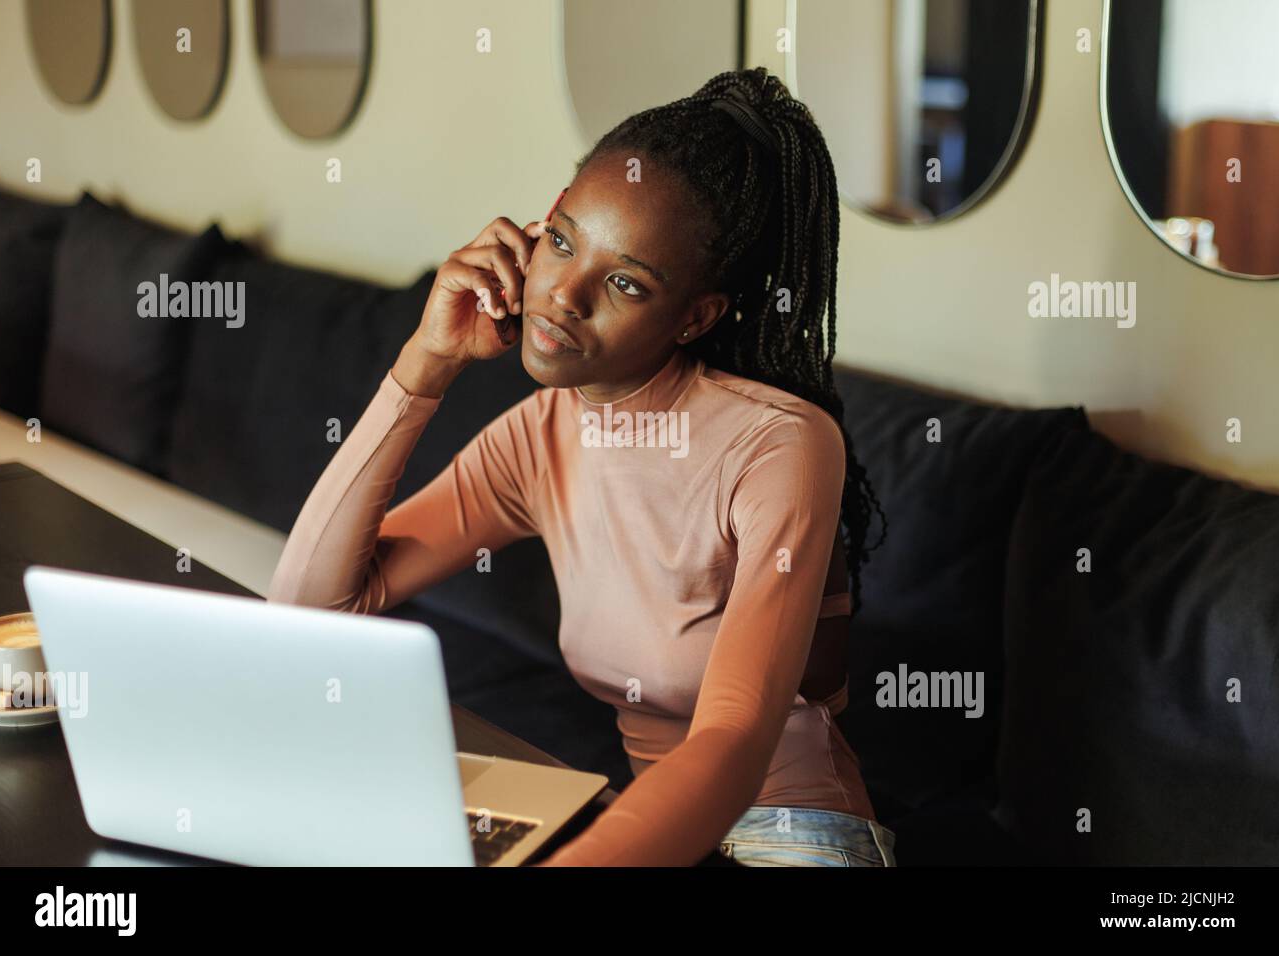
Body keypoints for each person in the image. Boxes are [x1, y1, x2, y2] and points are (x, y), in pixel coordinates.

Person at [266, 66, 893, 867]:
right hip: (647, 830)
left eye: (624, 282)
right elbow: (312, 605)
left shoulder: (781, 444)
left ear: (695, 316)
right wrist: (423, 364)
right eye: (561, 241)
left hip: (788, 833)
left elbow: (734, 742)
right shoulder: (537, 437)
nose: (563, 295)